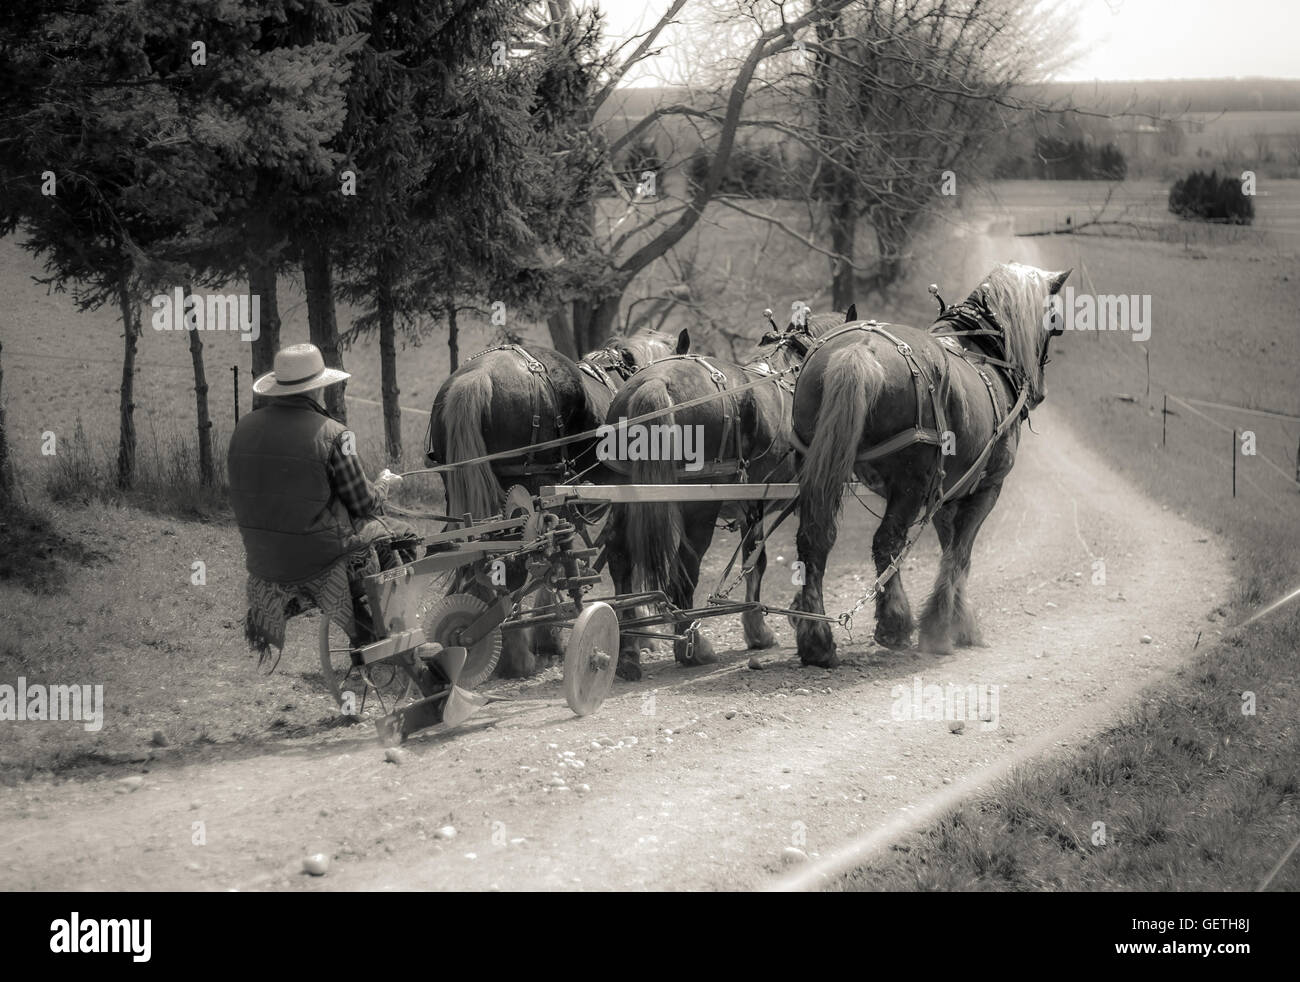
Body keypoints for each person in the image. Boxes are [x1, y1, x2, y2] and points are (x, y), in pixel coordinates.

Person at [228, 343, 416, 661]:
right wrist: (384, 484)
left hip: (263, 555)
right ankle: (398, 628)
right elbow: (363, 502)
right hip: (318, 553)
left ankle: (377, 629)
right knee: (405, 536)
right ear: (316, 389)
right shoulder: (334, 434)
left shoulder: (243, 428)